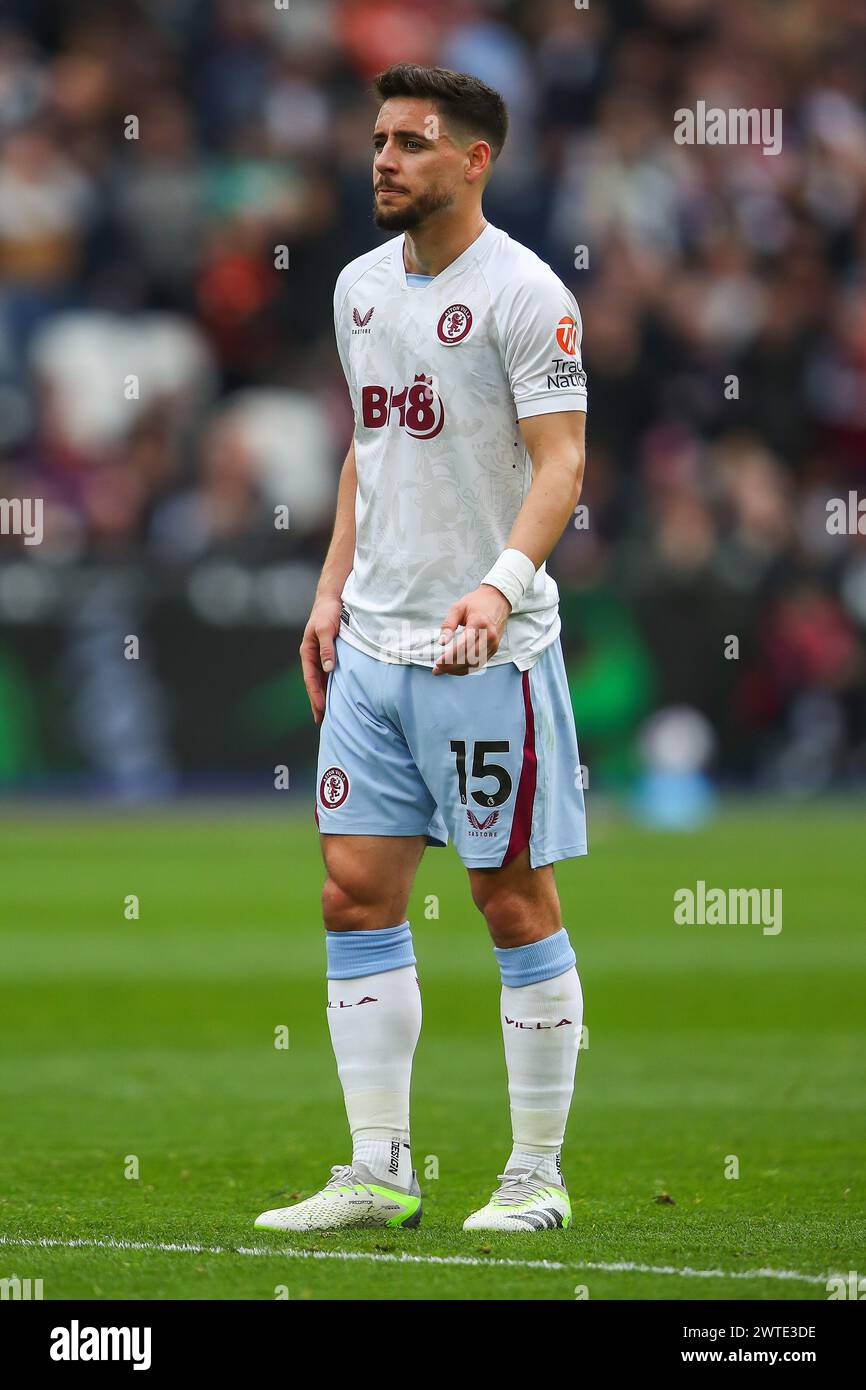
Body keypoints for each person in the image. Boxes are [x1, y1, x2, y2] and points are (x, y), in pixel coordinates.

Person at [255, 63, 588, 1235]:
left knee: (508, 900)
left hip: (481, 654)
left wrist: (499, 589)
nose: (383, 159)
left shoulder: (527, 293)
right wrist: (328, 588)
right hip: (374, 650)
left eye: (409, 142)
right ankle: (379, 1169)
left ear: (473, 160)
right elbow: (368, 447)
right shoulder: (354, 287)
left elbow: (560, 462)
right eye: (379, 138)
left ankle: (533, 1176)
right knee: (353, 896)